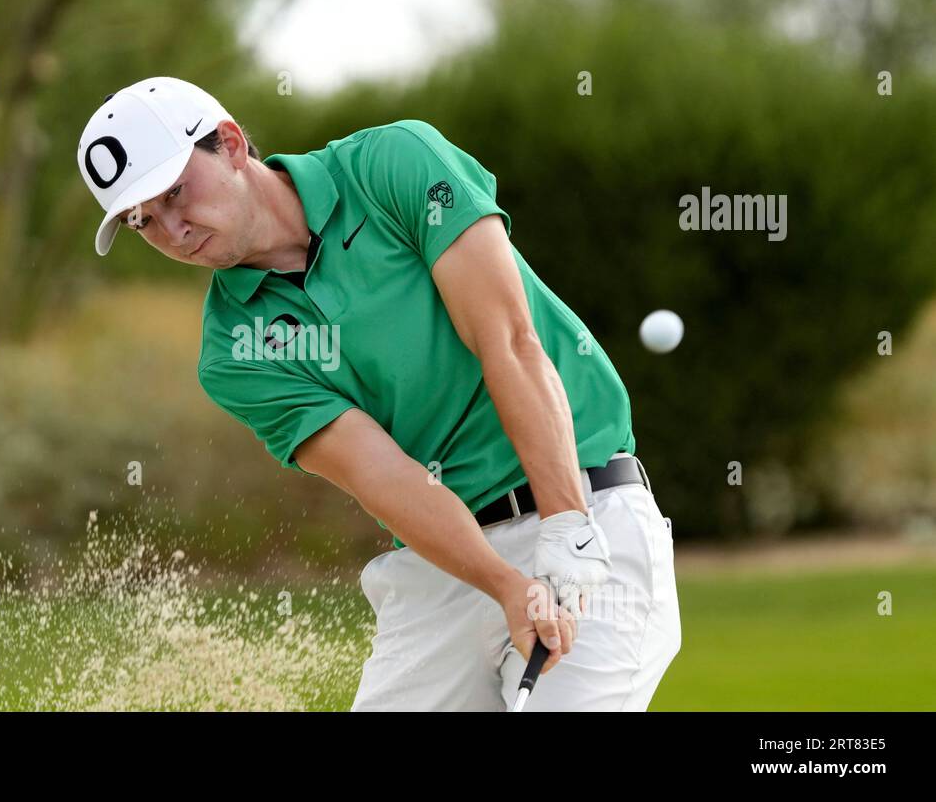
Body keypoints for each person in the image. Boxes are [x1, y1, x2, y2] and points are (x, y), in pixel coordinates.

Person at [76, 76, 682, 711]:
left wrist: (565, 526)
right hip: (444, 562)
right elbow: (381, 476)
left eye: (174, 191)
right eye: (143, 220)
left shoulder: (396, 164)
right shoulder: (233, 349)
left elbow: (505, 338)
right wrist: (506, 584)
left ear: (229, 144)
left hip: (586, 511)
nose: (172, 230)